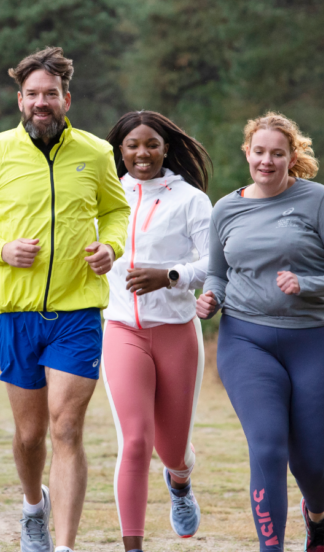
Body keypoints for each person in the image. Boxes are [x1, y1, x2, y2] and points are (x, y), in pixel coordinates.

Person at [0, 47, 130, 552]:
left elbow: (117, 212)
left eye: (51, 94)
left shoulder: (94, 152)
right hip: (17, 314)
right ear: (20, 100)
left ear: (66, 98)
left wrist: (109, 246)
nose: (41, 102)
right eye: (33, 94)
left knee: (66, 428)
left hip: (78, 312)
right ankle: (34, 506)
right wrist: (0, 248)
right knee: (30, 435)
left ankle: (66, 545)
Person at [197, 113, 324, 552]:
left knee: (312, 463)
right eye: (259, 152)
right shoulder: (226, 208)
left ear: (292, 158)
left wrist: (307, 284)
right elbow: (217, 274)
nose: (267, 161)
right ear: (247, 153)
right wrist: (211, 299)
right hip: (246, 341)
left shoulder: (316, 200)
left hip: (314, 341)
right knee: (268, 448)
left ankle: (317, 519)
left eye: (277, 153)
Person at [101, 111, 212, 552]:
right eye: (132, 145)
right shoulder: (104, 196)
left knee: (171, 449)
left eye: (151, 144)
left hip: (176, 333)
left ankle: (180, 481)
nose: (141, 153)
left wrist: (169, 276)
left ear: (166, 148)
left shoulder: (191, 200)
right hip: (121, 329)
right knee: (134, 442)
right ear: (120, 150)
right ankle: (133, 547)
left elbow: (212, 264)